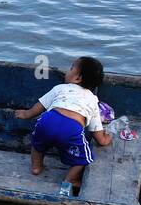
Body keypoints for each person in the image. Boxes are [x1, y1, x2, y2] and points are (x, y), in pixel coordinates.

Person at [14, 56, 112, 195]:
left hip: (47, 121)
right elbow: (96, 130)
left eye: (71, 68)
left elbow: (40, 106)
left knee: (37, 144)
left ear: (77, 78)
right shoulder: (92, 100)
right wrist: (104, 140)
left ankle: (36, 167)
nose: (68, 70)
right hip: (70, 129)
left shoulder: (59, 88)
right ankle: (70, 179)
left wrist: (26, 114)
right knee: (84, 158)